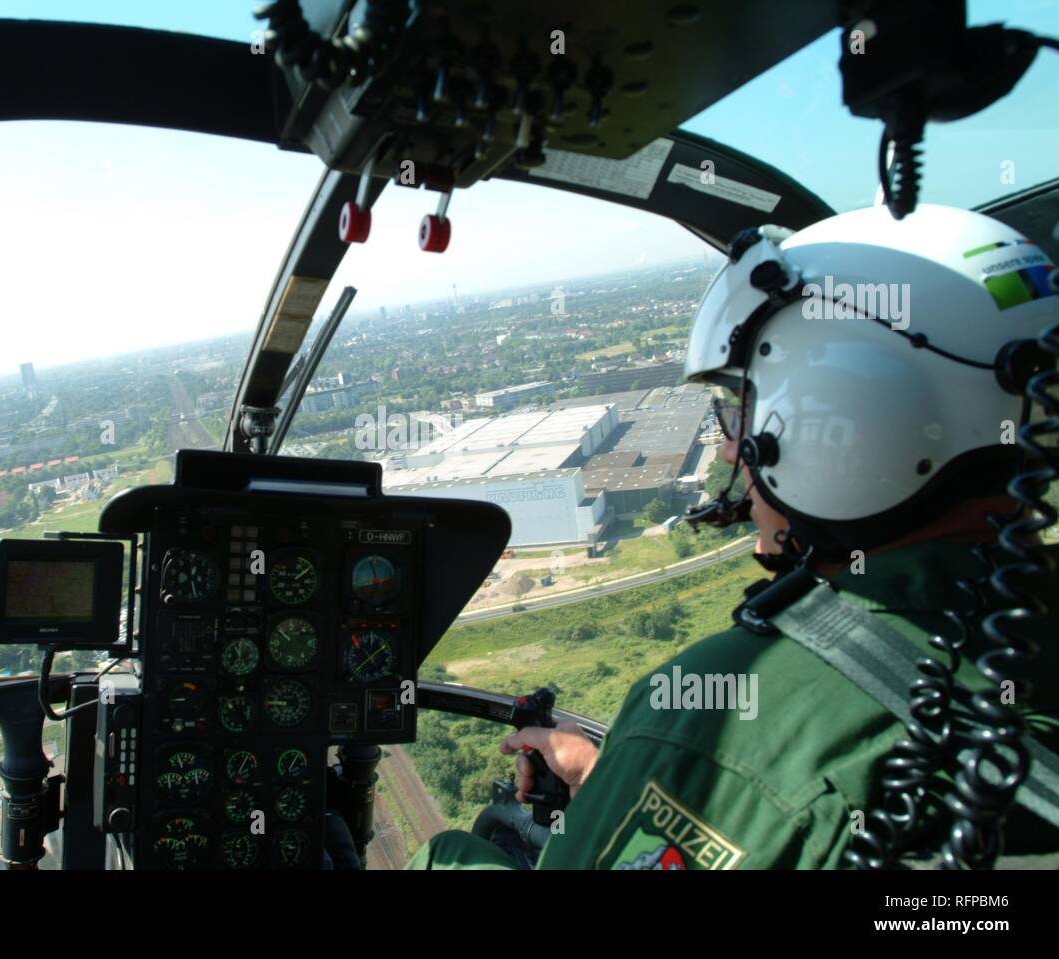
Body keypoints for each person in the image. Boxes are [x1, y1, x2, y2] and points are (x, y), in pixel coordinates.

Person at [406, 204, 1059, 869]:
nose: (727, 452)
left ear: (847, 417)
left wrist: (662, 759)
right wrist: (628, 783)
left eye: (741, 410)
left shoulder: (718, 714)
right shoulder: (1023, 634)